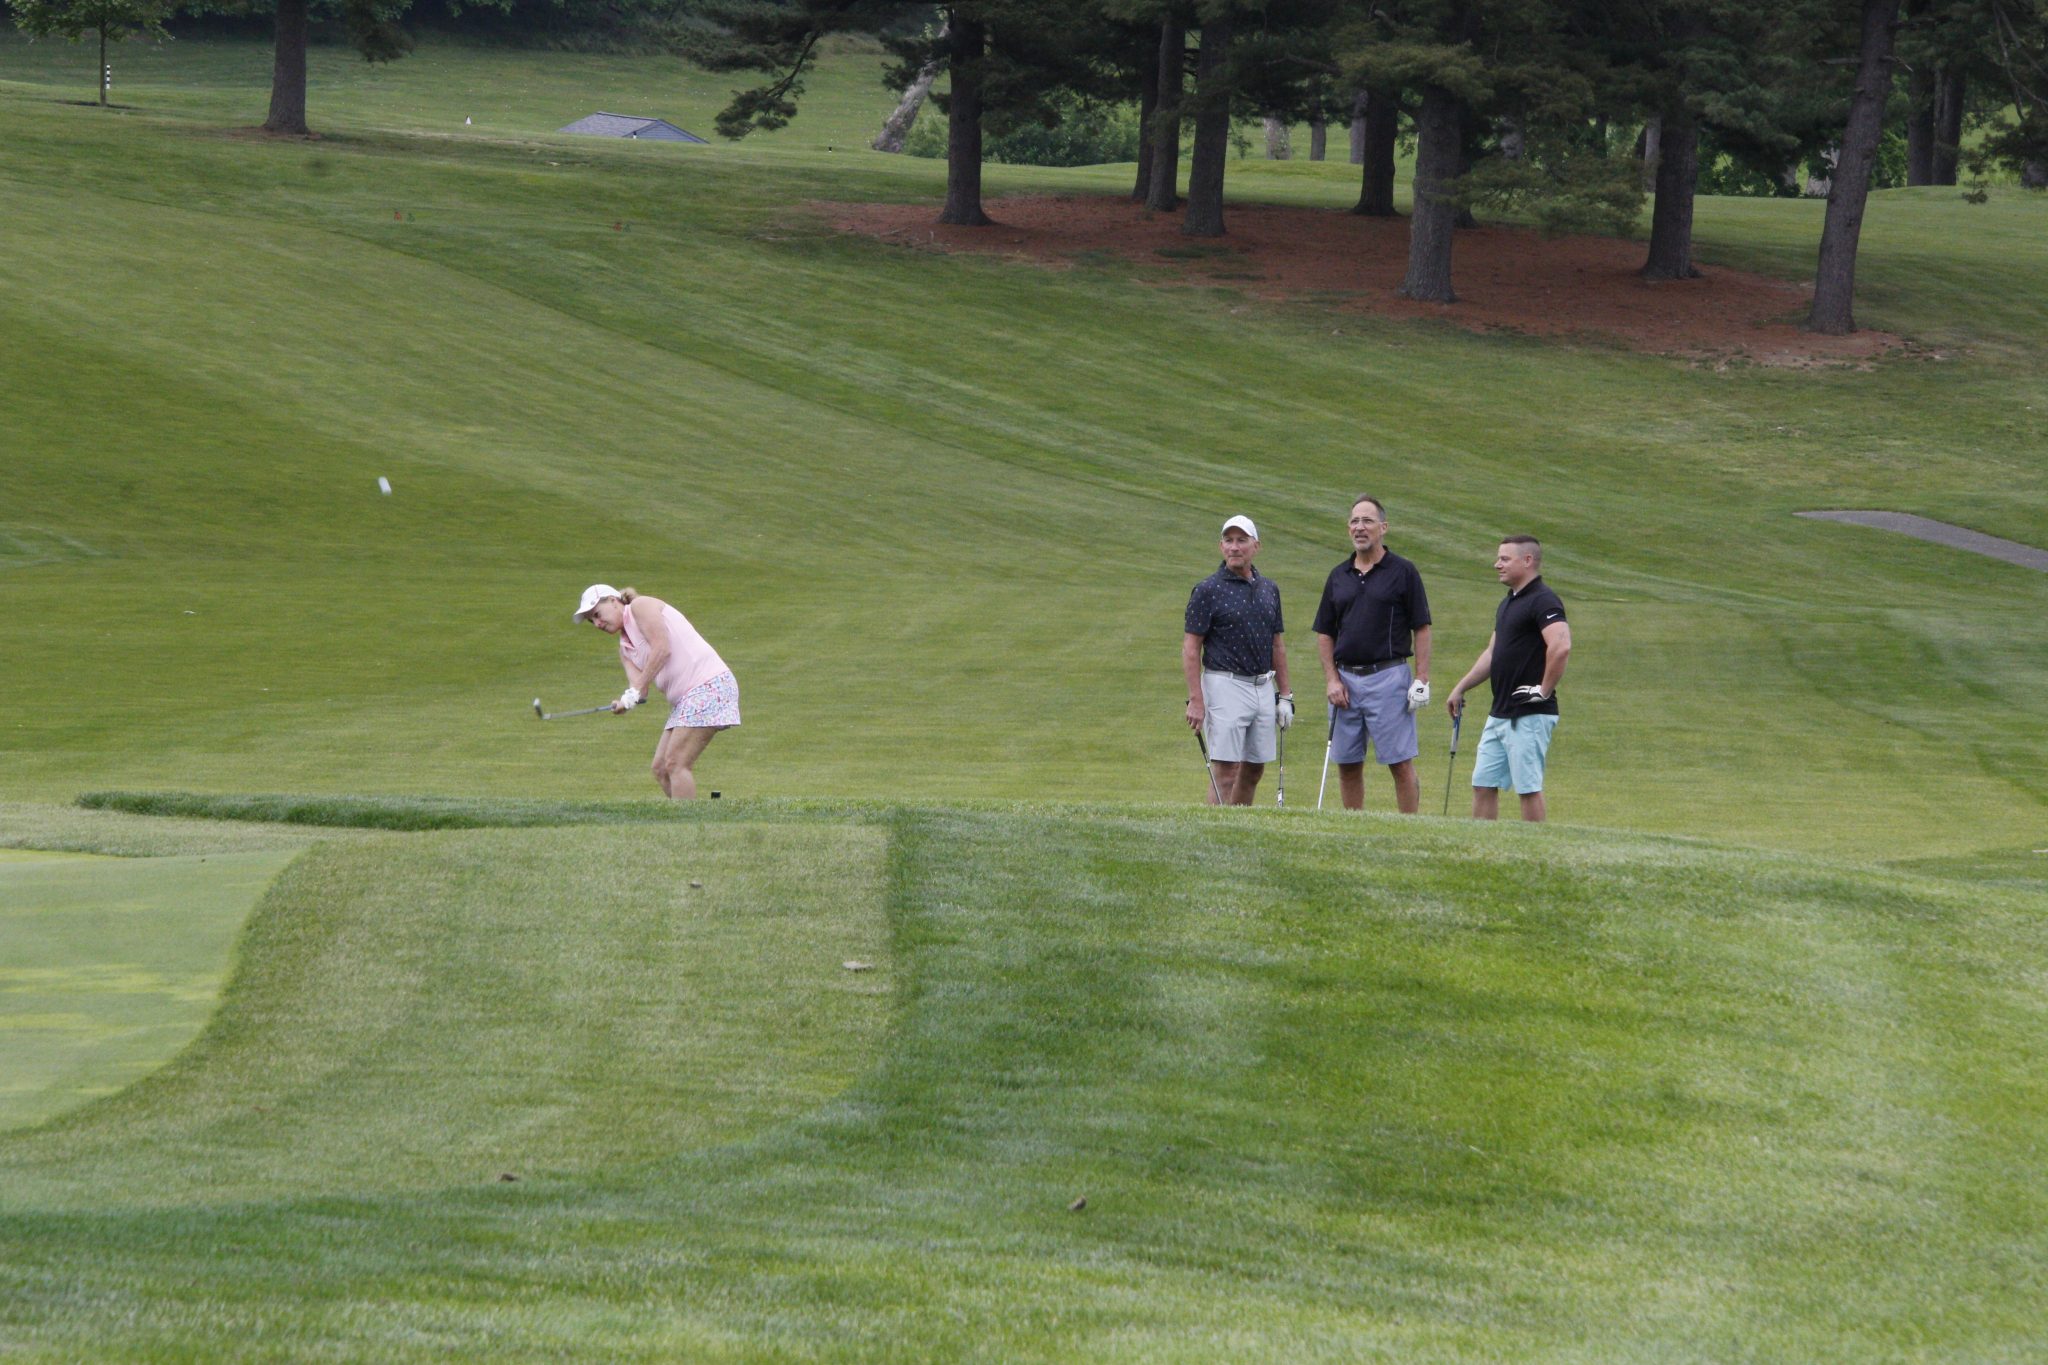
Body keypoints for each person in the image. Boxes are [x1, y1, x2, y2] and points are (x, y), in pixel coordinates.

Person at [1310, 495, 1433, 813]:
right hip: (1345, 682)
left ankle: (1409, 829)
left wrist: (1421, 678)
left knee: (1400, 763)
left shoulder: (1403, 572)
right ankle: (1354, 826)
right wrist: (1331, 680)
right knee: (1347, 762)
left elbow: (1421, 626)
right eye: (1354, 521)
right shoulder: (1339, 576)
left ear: (1383, 527)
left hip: (1389, 677)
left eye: (1367, 521)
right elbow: (1325, 632)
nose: (1359, 527)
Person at [573, 583, 739, 800]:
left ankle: (689, 827)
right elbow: (640, 691)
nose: (597, 623)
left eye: (597, 614)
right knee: (660, 768)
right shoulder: (625, 649)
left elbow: (662, 649)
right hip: (686, 700)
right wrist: (625, 700)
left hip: (709, 686)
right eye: (591, 621)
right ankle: (694, 820)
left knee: (676, 762)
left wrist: (635, 691)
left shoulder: (640, 607)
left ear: (614, 601)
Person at [1445, 537, 1571, 822]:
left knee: (1528, 788)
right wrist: (1461, 686)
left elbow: (1561, 645)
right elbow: (1493, 653)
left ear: (1527, 561)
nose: (1496, 564)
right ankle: (1485, 847)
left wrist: (1543, 691)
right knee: (1483, 783)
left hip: (1529, 713)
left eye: (1504, 559)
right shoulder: (1509, 603)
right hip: (1500, 712)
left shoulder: (1543, 600)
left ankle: (1534, 852)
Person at [1183, 515, 1293, 805]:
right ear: (1221, 546)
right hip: (1224, 684)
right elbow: (1191, 648)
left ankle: (1240, 827)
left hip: (1262, 686)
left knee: (1254, 768)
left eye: (1241, 540)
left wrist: (1286, 695)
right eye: (1229, 541)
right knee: (1226, 771)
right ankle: (1214, 833)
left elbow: (1277, 645)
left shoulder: (1269, 589)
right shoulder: (1207, 590)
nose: (1234, 547)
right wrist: (1196, 699)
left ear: (1255, 546)